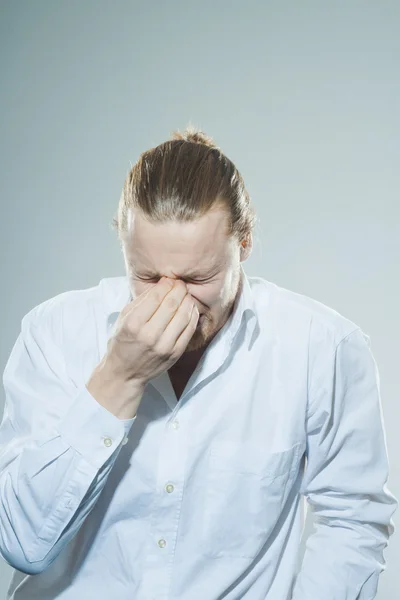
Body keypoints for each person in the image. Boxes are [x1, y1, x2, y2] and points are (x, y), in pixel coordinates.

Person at [0, 125, 397, 600]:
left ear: (244, 243)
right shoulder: (54, 333)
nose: (172, 298)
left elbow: (353, 522)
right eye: (146, 276)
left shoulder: (322, 347)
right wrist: (118, 378)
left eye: (198, 277)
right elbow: (23, 544)